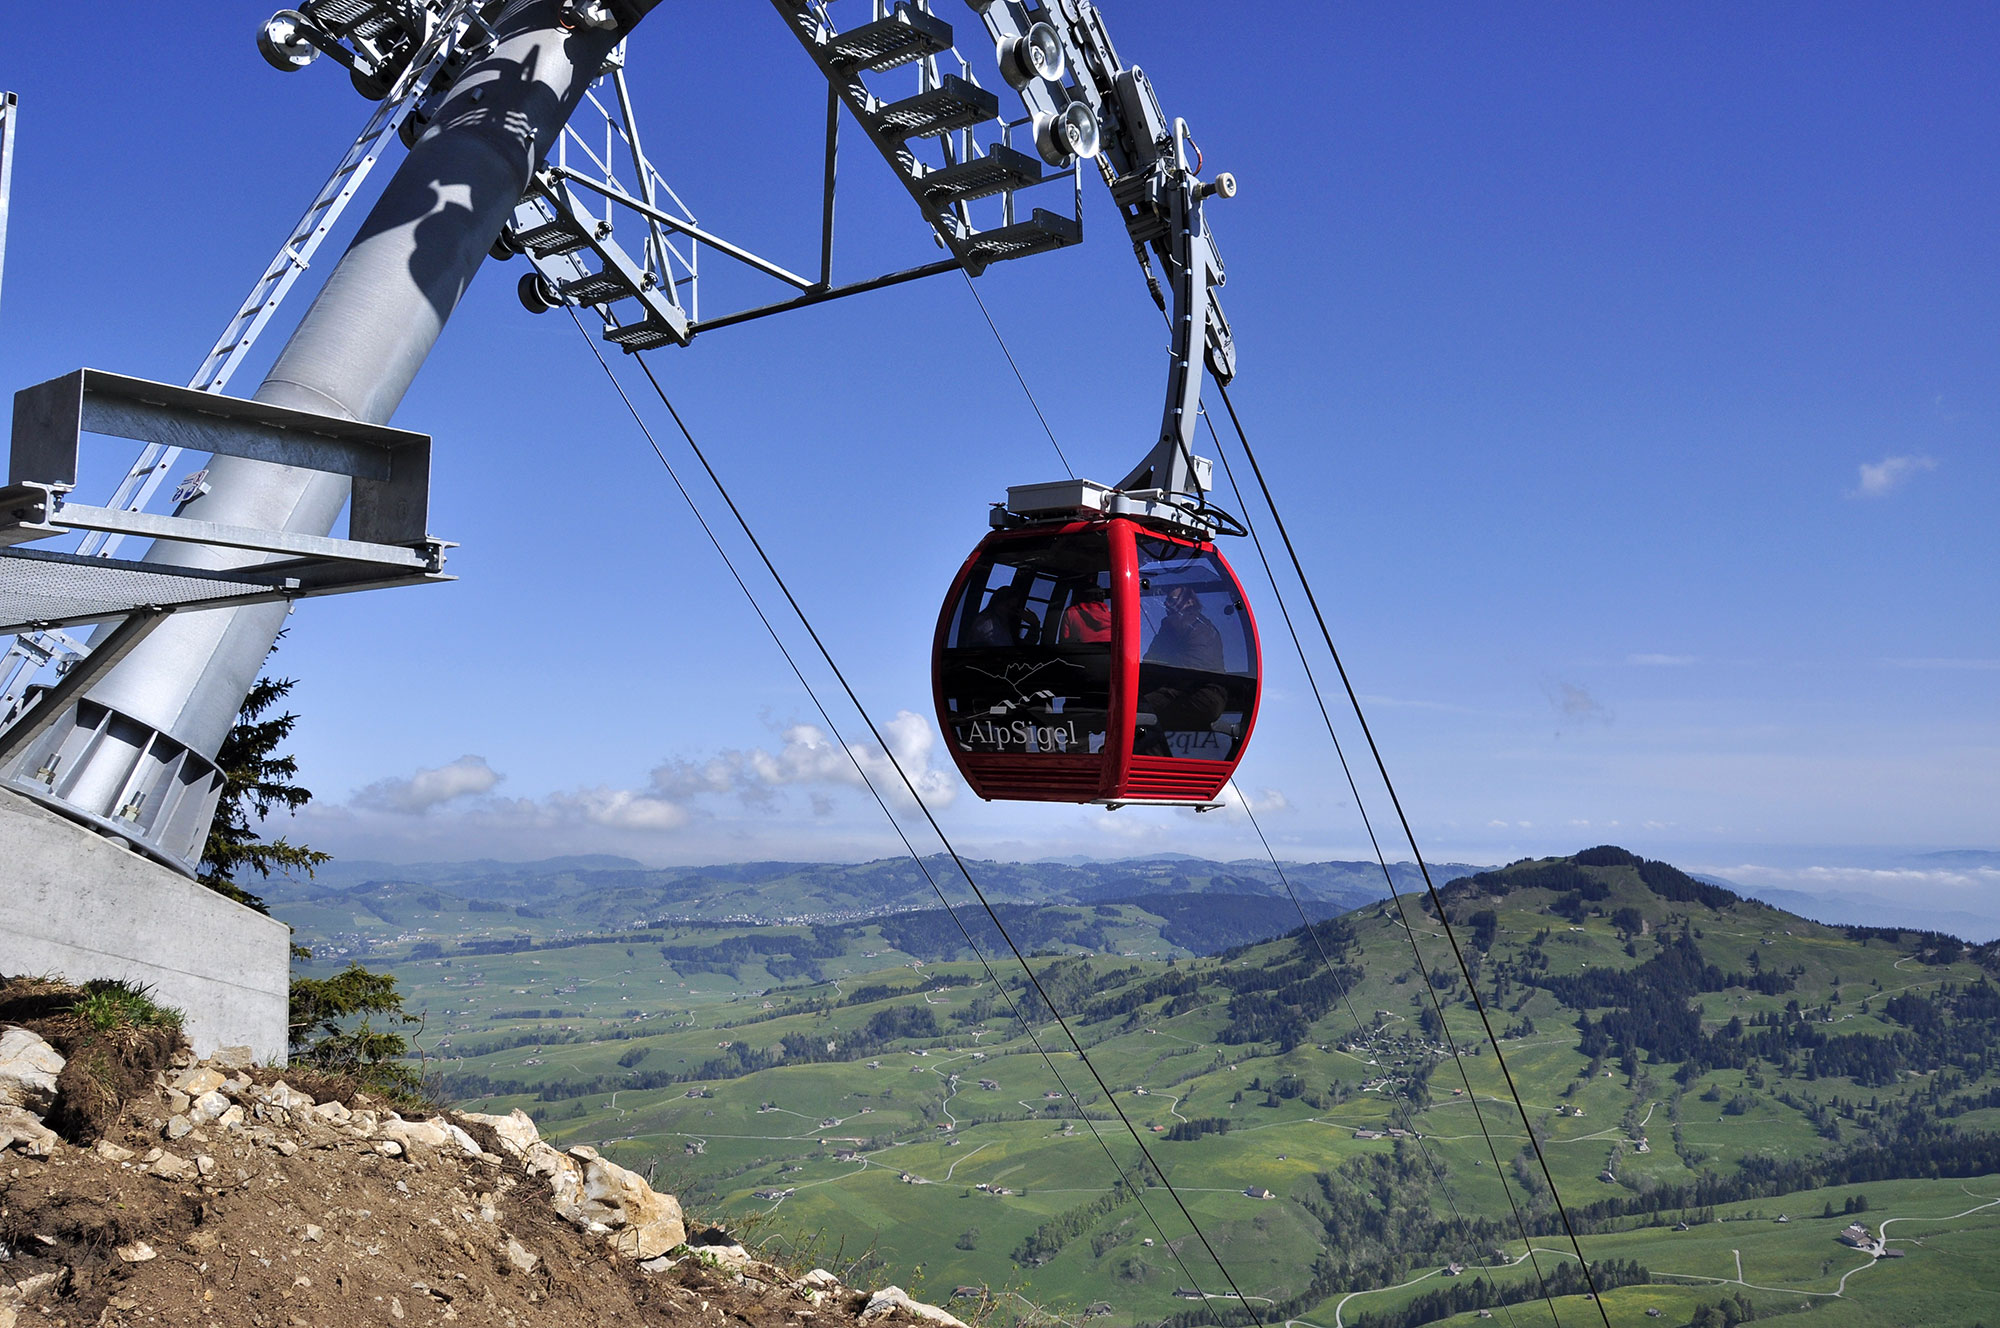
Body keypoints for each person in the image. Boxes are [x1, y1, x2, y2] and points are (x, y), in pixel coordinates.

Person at [1134, 583, 1228, 756]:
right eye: (1166, 600)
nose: (1167, 604)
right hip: (1216, 697)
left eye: (1172, 599)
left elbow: (1150, 661)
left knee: (1137, 709)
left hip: (1193, 694)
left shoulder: (1175, 622)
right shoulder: (1208, 626)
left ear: (1189, 601)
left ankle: (1143, 759)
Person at [965, 583, 1037, 647]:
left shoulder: (1007, 626)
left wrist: (1034, 624)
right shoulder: (986, 622)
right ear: (997, 602)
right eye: (1007, 605)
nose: (1008, 611)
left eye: (1013, 608)